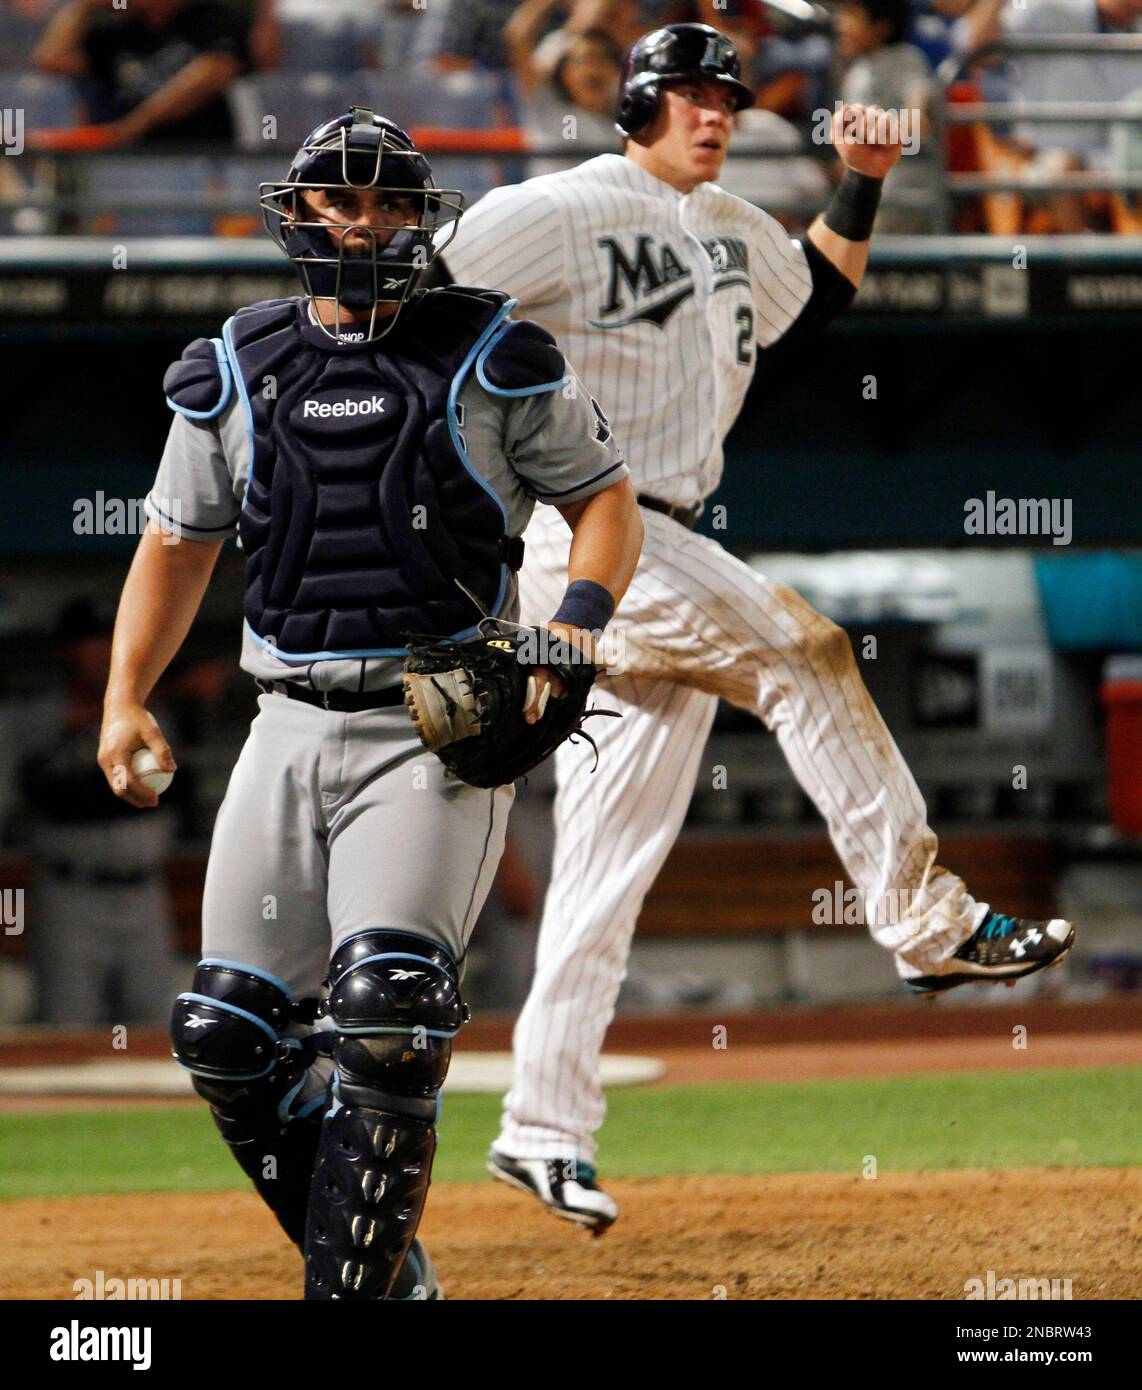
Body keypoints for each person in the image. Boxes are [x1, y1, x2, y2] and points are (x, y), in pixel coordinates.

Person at [429, 22, 1076, 1231]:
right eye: (685, 94)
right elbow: (427, 286)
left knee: (601, 874)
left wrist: (864, 179)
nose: (712, 111)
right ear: (635, 105)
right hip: (585, 530)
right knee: (807, 650)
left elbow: (813, 302)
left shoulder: (730, 223)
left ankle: (539, 1130)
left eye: (723, 93)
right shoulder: (567, 205)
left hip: (662, 536)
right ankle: (926, 926)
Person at [97, 106, 642, 1299]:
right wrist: (123, 697)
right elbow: (175, 544)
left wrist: (575, 624)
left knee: (387, 1012)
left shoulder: (489, 349)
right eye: (340, 200)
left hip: (427, 728)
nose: (365, 221)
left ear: (421, 219)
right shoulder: (239, 361)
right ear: (297, 216)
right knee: (226, 1034)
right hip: (281, 718)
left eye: (389, 201)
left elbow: (605, 502)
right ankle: (393, 1282)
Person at [19, 599, 183, 1025]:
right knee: (67, 1026)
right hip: (71, 890)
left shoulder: (154, 712)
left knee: (153, 1025)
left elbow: (179, 792)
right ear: (66, 650)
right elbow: (32, 793)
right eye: (91, 642)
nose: (104, 651)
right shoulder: (34, 717)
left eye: (111, 640)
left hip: (145, 890)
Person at [954, 0, 1142, 232]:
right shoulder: (1046, 9)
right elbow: (975, 48)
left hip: (1122, 158)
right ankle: (1090, 263)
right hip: (1042, 157)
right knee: (1059, 170)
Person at [32, 0, 252, 146]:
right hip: (124, 162)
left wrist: (135, 125)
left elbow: (212, 74)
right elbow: (52, 60)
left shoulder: (214, 17)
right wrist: (84, 4)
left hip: (199, 155)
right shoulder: (115, 28)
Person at [835, 0, 943, 232]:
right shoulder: (859, 69)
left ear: (881, 27)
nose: (841, 24)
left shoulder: (904, 58)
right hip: (869, 194)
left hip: (904, 197)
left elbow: (918, 95)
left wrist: (915, 114)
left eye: (852, 16)